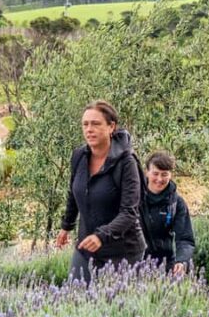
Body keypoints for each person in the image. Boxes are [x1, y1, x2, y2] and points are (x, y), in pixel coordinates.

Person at [55, 100, 146, 282]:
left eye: (96, 124)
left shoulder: (127, 163)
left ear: (111, 126)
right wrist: (66, 226)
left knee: (115, 307)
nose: (89, 129)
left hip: (122, 252)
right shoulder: (79, 156)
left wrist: (101, 236)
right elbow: (74, 193)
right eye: (85, 124)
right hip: (86, 245)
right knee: (75, 298)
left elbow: (129, 212)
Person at [141, 151, 195, 275]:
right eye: (155, 174)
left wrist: (181, 261)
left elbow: (185, 239)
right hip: (133, 263)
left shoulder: (176, 203)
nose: (159, 179)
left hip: (165, 264)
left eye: (164, 174)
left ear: (170, 175)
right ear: (147, 172)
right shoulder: (133, 197)